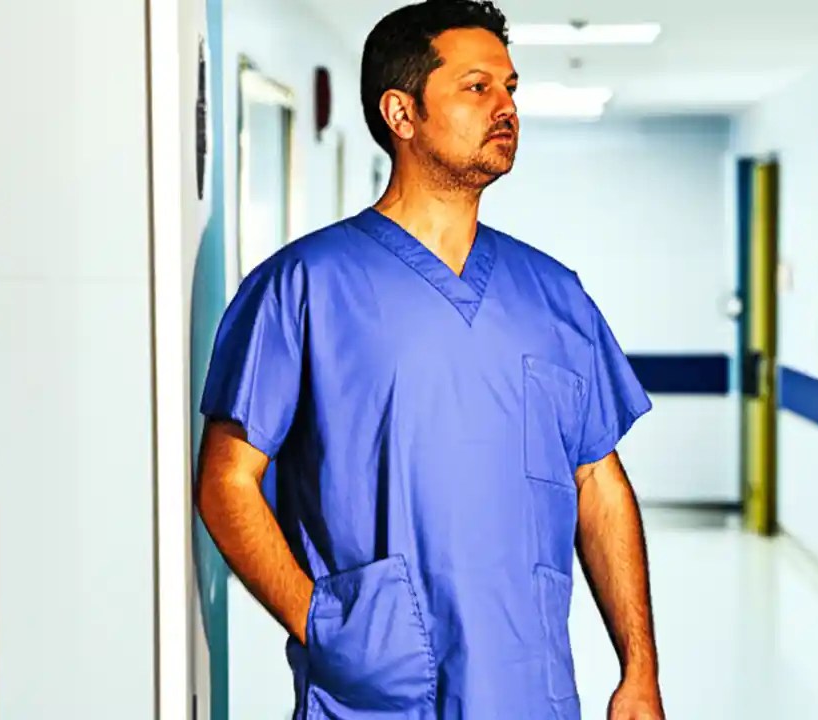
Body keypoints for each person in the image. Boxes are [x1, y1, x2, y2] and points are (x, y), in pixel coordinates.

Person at [194, 1, 664, 718]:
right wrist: (318, 621)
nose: (506, 106)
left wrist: (640, 670)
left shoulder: (555, 296)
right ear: (401, 112)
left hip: (529, 688)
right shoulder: (306, 286)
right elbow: (227, 479)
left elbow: (599, 484)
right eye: (478, 88)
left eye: (511, 88)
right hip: (379, 691)